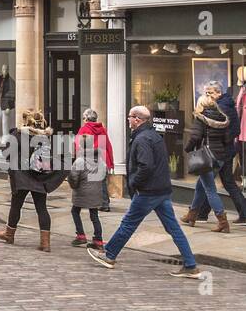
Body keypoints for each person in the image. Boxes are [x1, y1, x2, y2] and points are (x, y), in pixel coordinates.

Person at [88, 106, 201, 278]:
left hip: (148, 191)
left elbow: (145, 166)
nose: (128, 120)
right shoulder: (154, 135)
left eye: (130, 117)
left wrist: (134, 183)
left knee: (128, 223)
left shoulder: (142, 139)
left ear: (137, 119)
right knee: (174, 228)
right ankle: (190, 265)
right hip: (161, 190)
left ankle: (109, 255)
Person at [0, 109, 66, 252]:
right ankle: (45, 243)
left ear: (27, 121)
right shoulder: (45, 138)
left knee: (16, 206)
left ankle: (9, 234)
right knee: (42, 208)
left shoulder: (18, 135)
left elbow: (6, 154)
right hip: (39, 177)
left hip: (21, 177)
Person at [183, 80, 246, 227]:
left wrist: (217, 143)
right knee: (212, 183)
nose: (208, 96)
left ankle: (217, 218)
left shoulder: (220, 108)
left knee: (208, 186)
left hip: (216, 153)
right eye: (206, 93)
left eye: (210, 93)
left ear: (218, 93)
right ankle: (199, 214)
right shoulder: (227, 106)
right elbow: (234, 131)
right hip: (223, 152)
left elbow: (199, 136)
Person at [182, 94, 233, 234]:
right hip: (220, 157)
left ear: (201, 105)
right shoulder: (223, 118)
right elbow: (228, 139)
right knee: (201, 187)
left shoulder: (201, 119)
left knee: (210, 189)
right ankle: (191, 216)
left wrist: (187, 149)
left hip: (206, 158)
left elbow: (195, 137)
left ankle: (223, 221)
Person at [68, 116, 108, 249]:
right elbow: (104, 173)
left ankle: (80, 235)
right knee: (94, 215)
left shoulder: (80, 161)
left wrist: (74, 186)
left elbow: (73, 177)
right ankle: (98, 239)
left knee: (75, 211)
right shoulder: (100, 159)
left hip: (82, 192)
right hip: (95, 192)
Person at [75, 106, 114, 213]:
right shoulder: (102, 129)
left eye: (83, 118)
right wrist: (111, 162)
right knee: (102, 183)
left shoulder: (84, 129)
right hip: (103, 159)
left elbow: (79, 145)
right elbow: (108, 145)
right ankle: (105, 204)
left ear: (86, 119)